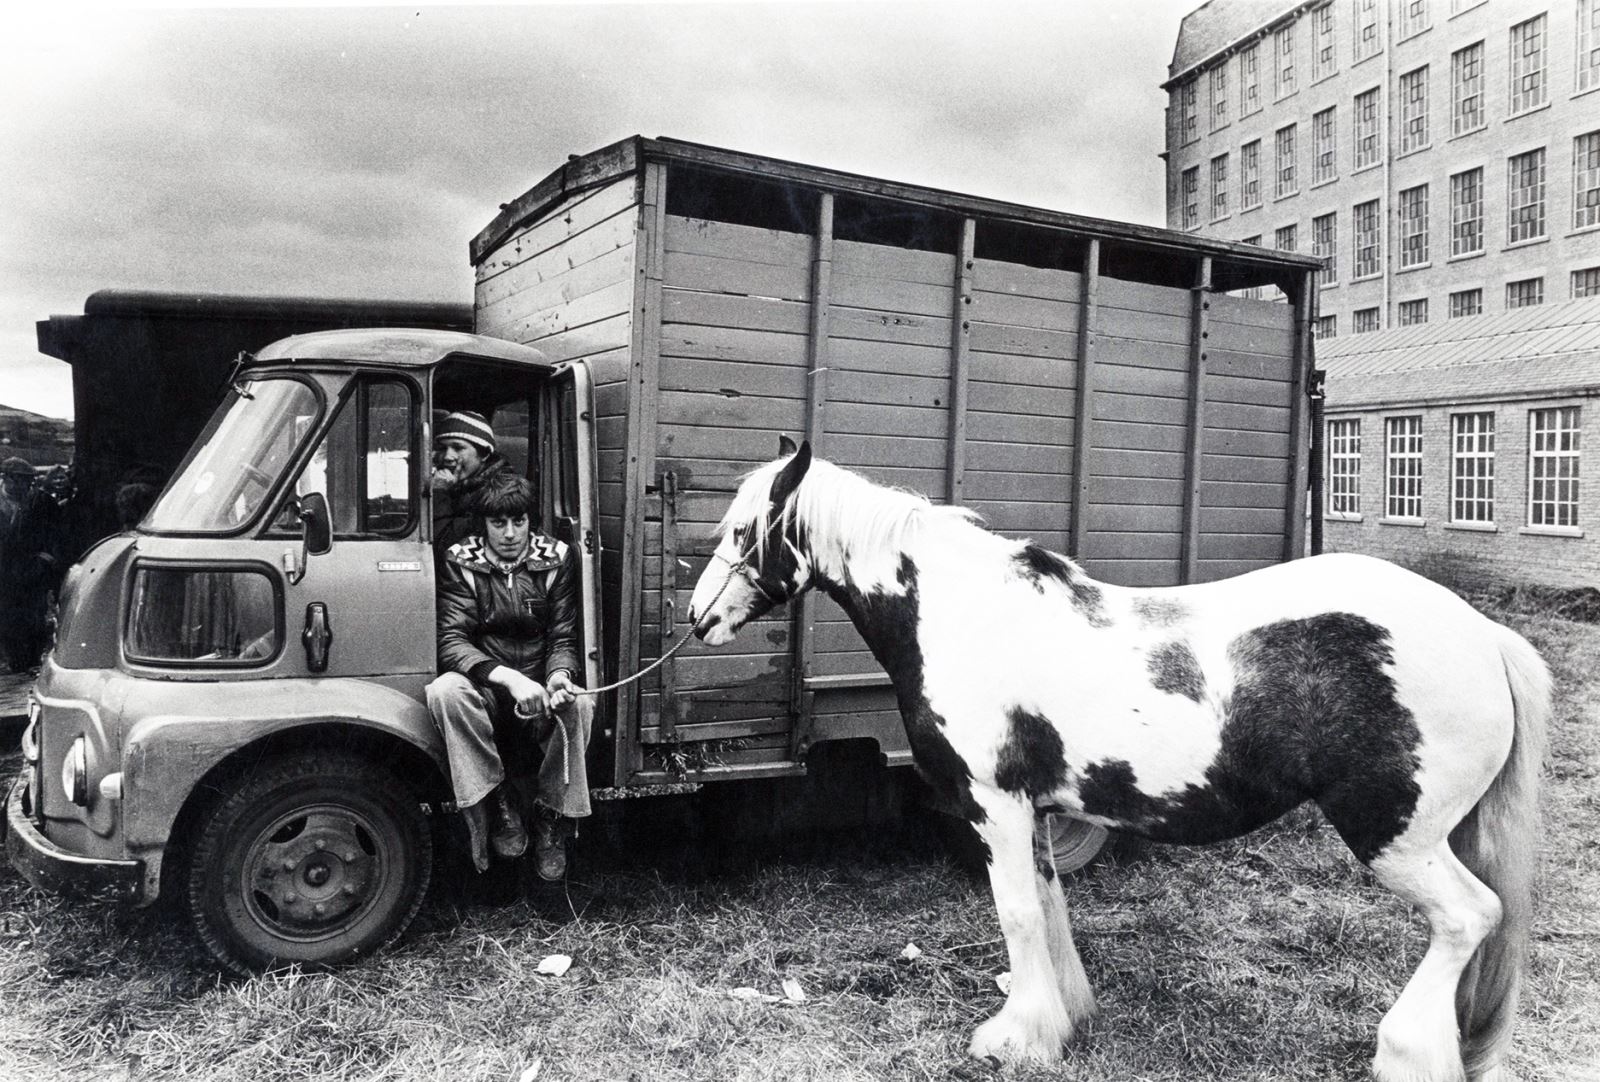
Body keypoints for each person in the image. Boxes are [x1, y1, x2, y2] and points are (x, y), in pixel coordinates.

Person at [425, 471, 590, 880]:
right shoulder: (460, 560)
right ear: (483, 524)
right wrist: (510, 680)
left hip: (540, 683)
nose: (511, 533)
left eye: (519, 521)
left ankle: (551, 816)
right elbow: (451, 640)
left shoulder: (556, 557)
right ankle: (497, 801)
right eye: (499, 523)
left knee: (581, 702)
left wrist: (558, 677)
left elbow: (565, 635)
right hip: (489, 687)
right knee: (446, 691)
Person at [432, 410, 513, 555]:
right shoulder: (464, 485)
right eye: (443, 448)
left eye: (458, 448)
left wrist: (440, 492)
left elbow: (444, 548)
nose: (447, 457)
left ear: (484, 454)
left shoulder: (497, 493)